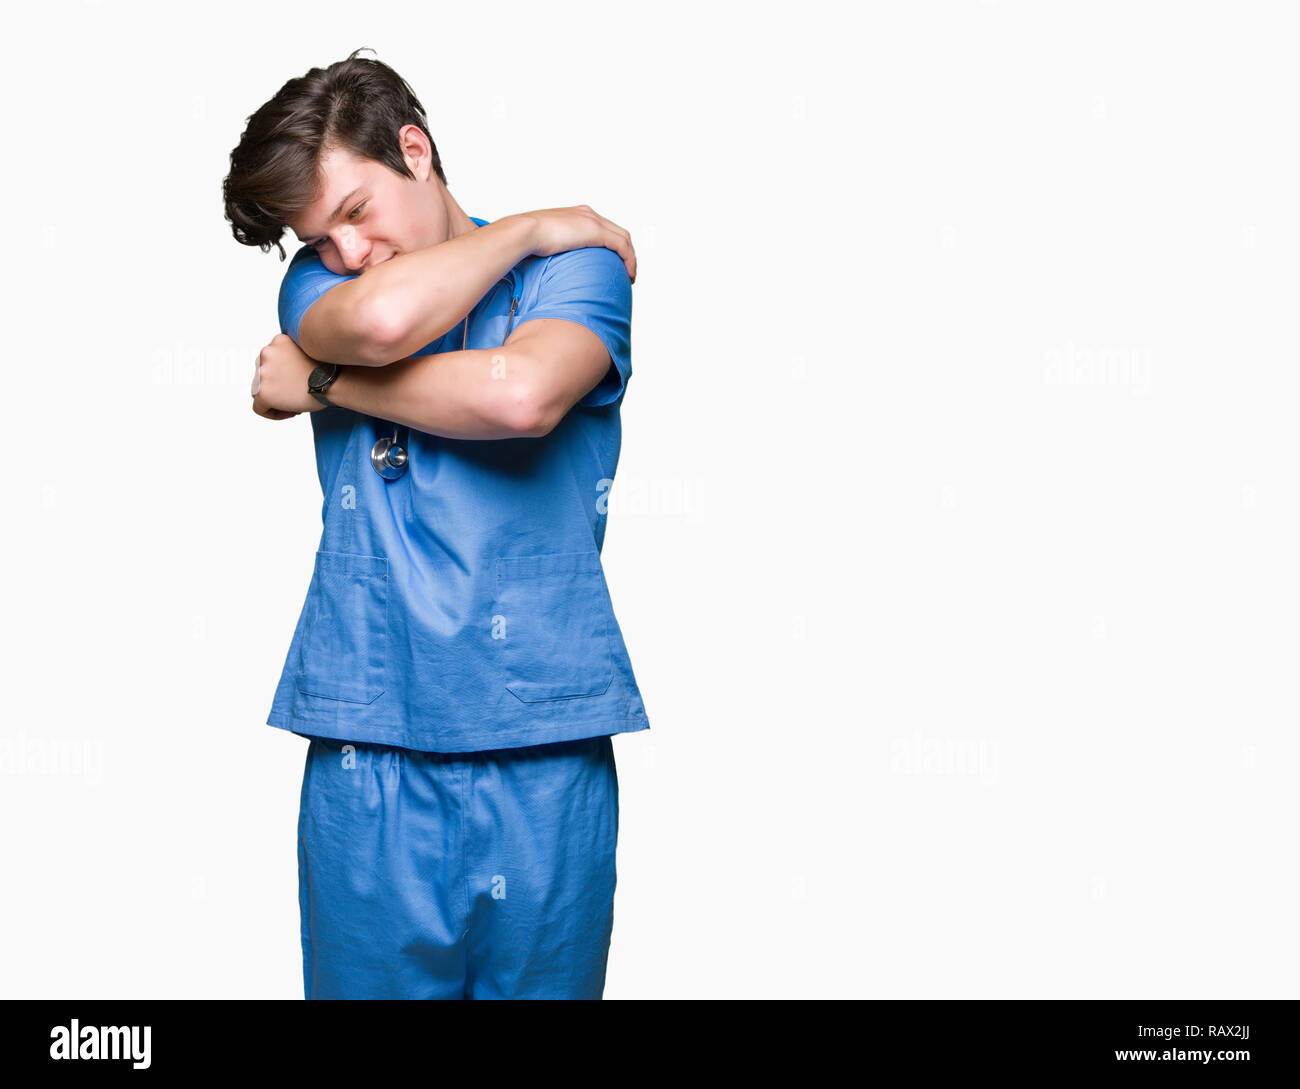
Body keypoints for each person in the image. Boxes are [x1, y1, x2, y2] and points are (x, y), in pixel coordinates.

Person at [221, 47, 650, 999]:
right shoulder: (324, 288)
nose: (345, 253)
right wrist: (531, 224)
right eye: (319, 239)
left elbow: (525, 394)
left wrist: (324, 382)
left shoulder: (579, 268)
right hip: (369, 743)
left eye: (356, 212)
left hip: (542, 741)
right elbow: (375, 323)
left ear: (416, 149)